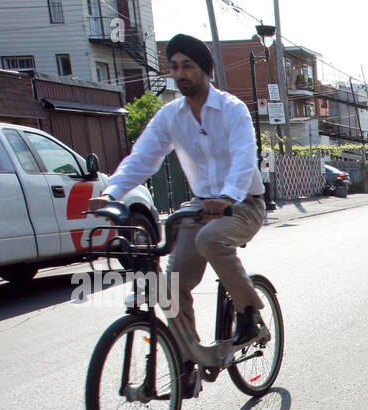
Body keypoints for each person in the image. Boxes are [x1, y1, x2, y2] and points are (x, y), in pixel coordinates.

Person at [90, 34, 267, 371]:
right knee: (171, 285)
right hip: (199, 208)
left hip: (243, 203)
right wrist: (111, 194)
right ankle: (188, 359)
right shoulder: (171, 116)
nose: (180, 73)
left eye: (188, 65)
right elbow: (142, 158)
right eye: (174, 67)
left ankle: (248, 311)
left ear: (205, 69)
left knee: (210, 239)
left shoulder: (232, 109)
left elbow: (245, 158)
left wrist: (227, 196)